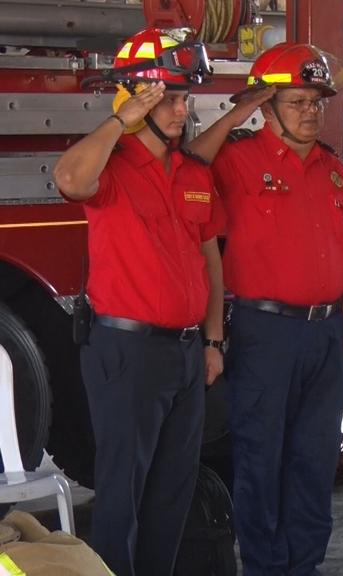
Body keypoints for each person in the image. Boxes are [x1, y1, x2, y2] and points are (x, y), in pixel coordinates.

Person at [185, 42, 343, 574]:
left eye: (317, 102)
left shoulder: (333, 170)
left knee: (313, 460)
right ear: (268, 107)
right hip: (265, 331)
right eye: (296, 102)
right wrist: (241, 108)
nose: (311, 112)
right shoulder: (238, 160)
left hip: (324, 332)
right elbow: (191, 160)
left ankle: (304, 564)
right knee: (260, 458)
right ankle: (265, 566)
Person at [53, 27, 223, 576]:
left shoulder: (191, 171)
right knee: (123, 490)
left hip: (185, 351)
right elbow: (68, 179)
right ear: (138, 97)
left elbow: (210, 262)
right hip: (126, 351)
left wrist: (213, 340)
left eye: (184, 98)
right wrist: (118, 121)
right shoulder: (112, 164)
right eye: (170, 97)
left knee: (173, 490)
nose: (182, 109)